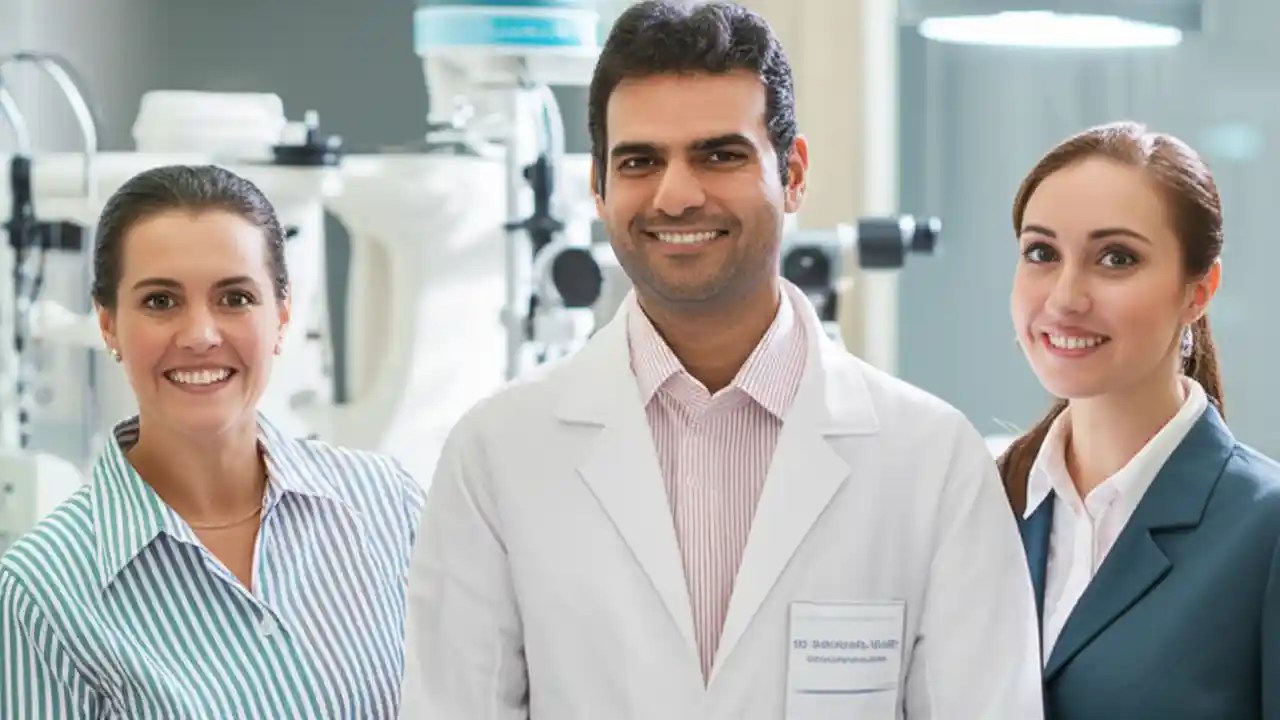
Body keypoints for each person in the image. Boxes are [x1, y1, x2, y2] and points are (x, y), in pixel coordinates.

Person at [399, 2, 1043, 717]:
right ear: (599, 188)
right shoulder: (496, 455)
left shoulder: (932, 459)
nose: (676, 195)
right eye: (640, 161)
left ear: (792, 173)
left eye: (719, 155)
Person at [0, 165, 425, 718]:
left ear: (282, 317)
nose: (200, 335)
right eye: (160, 301)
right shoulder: (41, 590)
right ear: (108, 325)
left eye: (235, 298)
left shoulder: (387, 504)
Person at [999, 121, 1280, 718]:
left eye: (1116, 258)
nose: (1065, 298)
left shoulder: (1265, 530)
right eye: (1042, 253)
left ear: (1198, 291)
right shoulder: (982, 505)